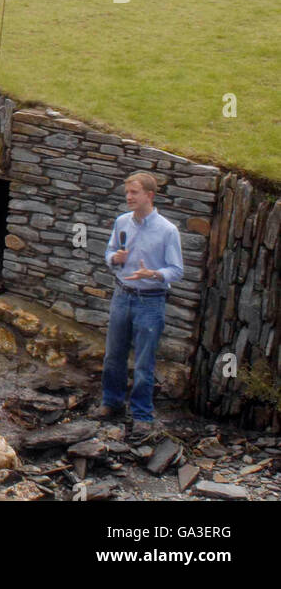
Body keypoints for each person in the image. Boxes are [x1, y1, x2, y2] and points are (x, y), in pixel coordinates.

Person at [91, 171, 184, 438]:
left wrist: (153, 274)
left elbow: (176, 270)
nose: (128, 197)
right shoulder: (121, 222)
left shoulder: (168, 230)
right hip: (122, 295)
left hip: (151, 301)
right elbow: (109, 253)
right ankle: (111, 403)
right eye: (127, 193)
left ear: (149, 196)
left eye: (134, 193)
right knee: (113, 355)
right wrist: (115, 259)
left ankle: (142, 414)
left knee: (144, 361)